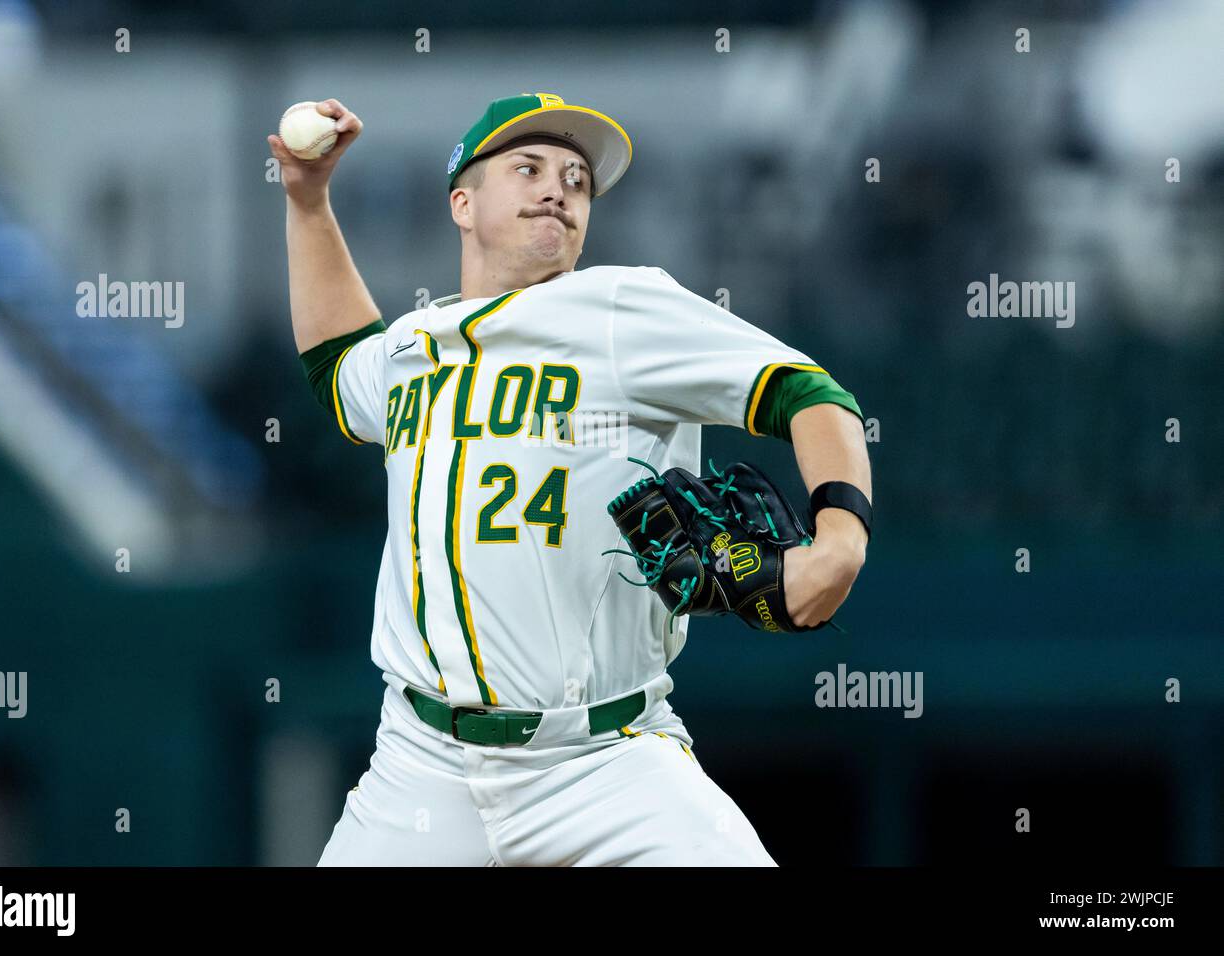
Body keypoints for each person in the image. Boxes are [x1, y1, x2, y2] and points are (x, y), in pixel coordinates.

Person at [268, 92, 872, 866]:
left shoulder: (620, 309)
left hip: (603, 761)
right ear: (463, 201)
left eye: (577, 181)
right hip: (422, 766)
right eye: (529, 169)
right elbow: (336, 364)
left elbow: (811, 393)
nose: (558, 188)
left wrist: (841, 539)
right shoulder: (412, 347)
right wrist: (308, 199)